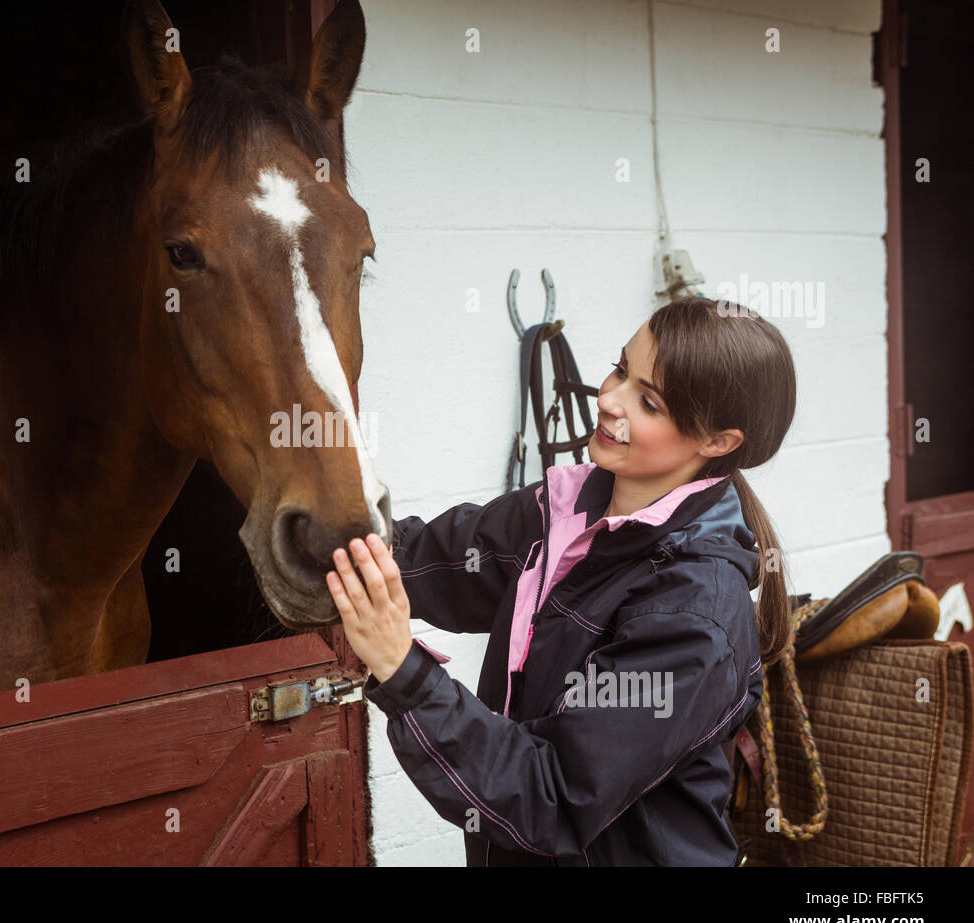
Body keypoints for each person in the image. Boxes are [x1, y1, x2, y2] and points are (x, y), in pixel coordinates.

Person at [325, 296, 796, 866]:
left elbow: (551, 796)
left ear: (717, 442)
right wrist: (320, 519)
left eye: (647, 401)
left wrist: (403, 671)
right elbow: (431, 560)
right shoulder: (561, 513)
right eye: (620, 369)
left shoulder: (691, 615)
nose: (610, 400)